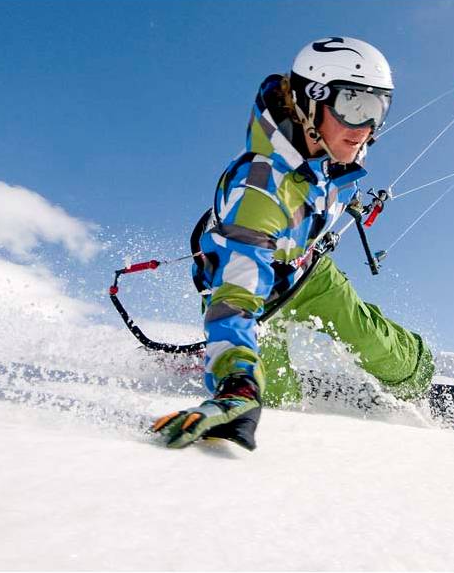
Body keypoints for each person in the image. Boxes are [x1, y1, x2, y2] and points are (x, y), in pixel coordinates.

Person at [152, 36, 435, 450]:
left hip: (308, 271)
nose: (365, 128)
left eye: (378, 109)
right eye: (353, 105)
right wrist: (238, 386)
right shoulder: (261, 189)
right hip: (259, 297)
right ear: (310, 101)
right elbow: (237, 291)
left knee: (376, 341)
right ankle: (229, 361)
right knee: (277, 400)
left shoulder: (336, 148)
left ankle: (421, 379)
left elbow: (320, 190)